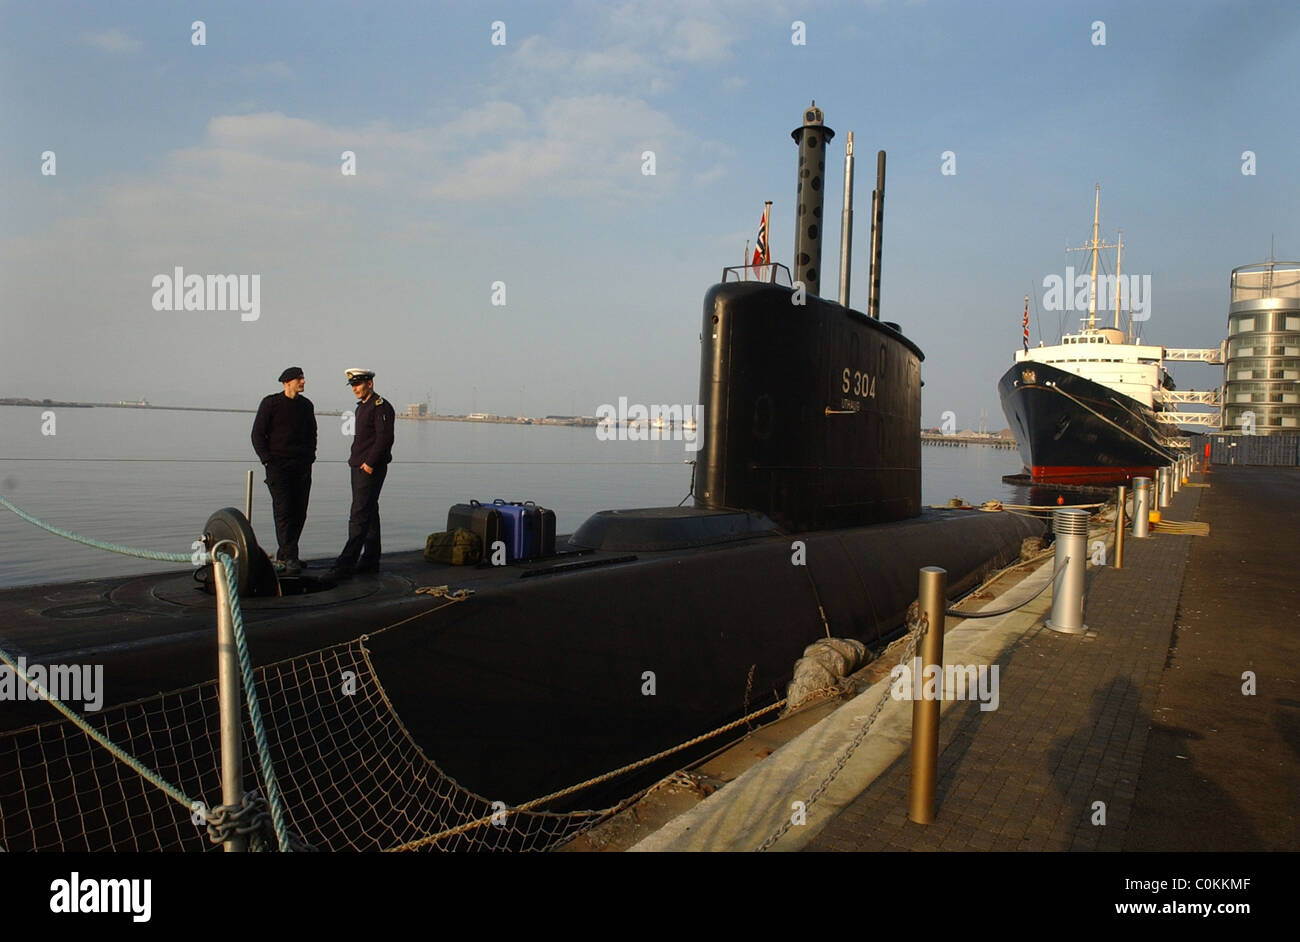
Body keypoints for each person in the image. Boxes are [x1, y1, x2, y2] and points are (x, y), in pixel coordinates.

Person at [328, 368, 395, 578]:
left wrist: (370, 463)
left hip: (369, 468)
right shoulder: (362, 407)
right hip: (358, 466)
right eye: (353, 385)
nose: (355, 389)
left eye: (359, 384)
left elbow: (385, 439)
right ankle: (370, 560)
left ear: (370, 383)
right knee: (369, 512)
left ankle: (345, 565)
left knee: (358, 514)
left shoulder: (380, 407)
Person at [250, 367, 317, 576]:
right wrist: (267, 461)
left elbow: (312, 433)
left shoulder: (306, 406)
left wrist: (310, 457)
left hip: (302, 466)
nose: (304, 381)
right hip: (278, 467)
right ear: (287, 382)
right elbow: (257, 434)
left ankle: (287, 554)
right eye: (300, 379)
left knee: (300, 512)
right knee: (284, 511)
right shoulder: (271, 403)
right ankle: (290, 557)